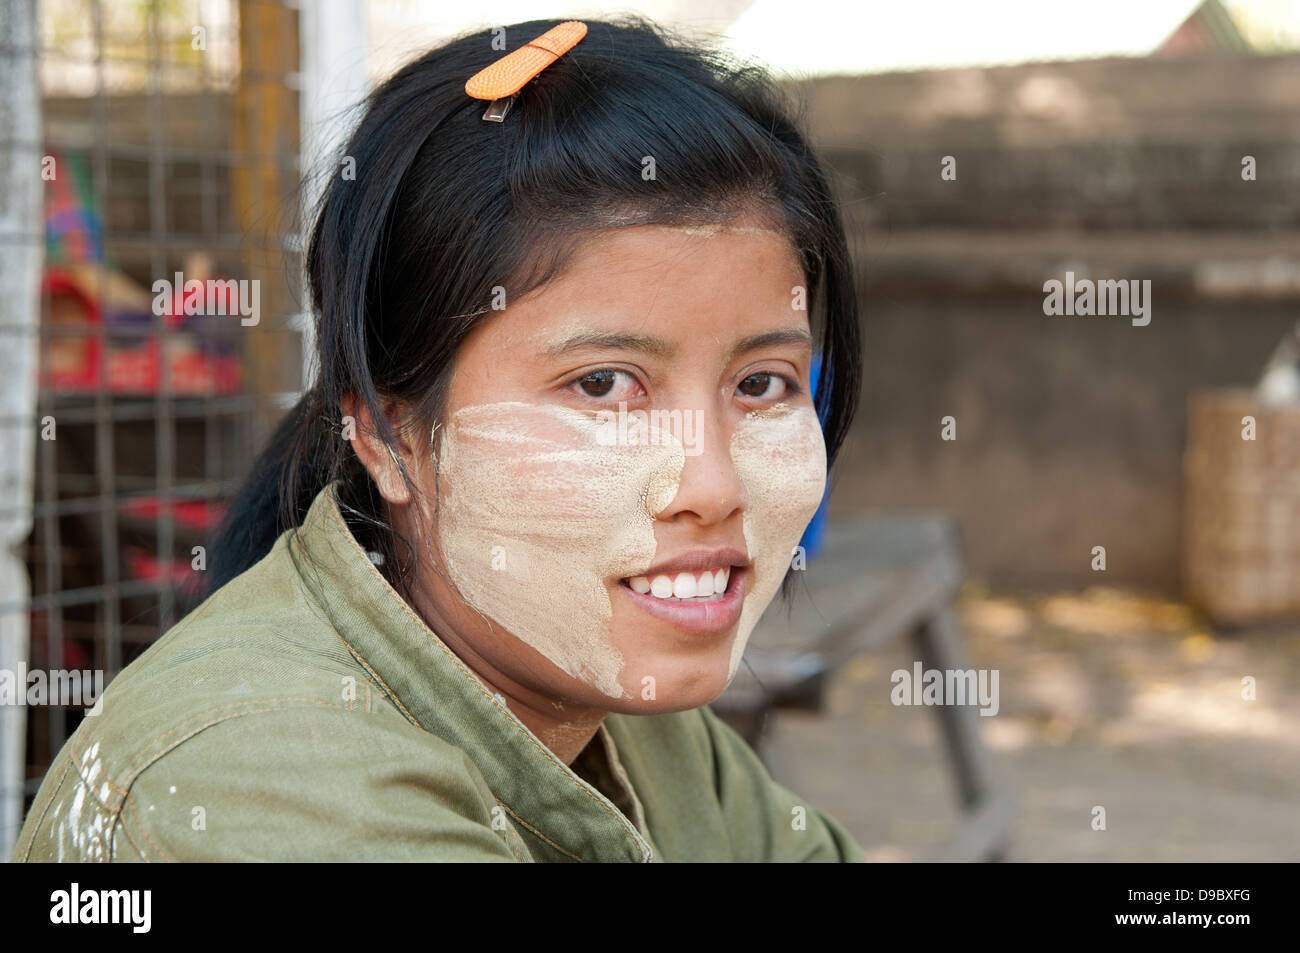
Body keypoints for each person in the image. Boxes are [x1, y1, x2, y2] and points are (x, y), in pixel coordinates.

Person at [13, 15, 864, 862]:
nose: (711, 486)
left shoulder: (633, 713)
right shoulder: (261, 786)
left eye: (760, 384)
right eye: (602, 385)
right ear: (388, 437)